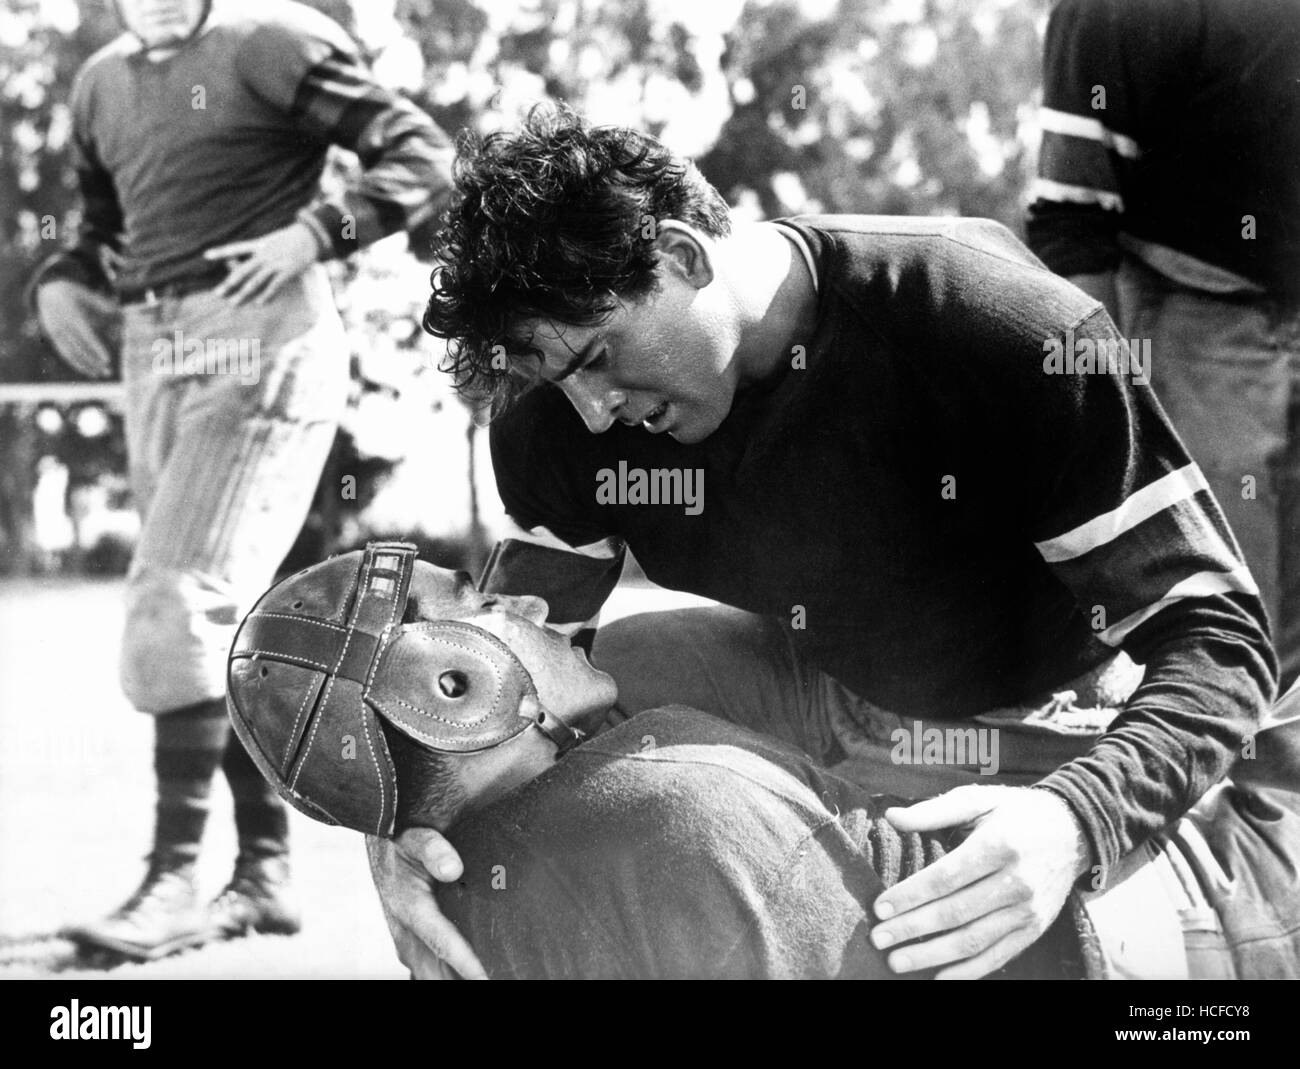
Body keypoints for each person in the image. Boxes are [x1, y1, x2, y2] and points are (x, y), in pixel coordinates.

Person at [368, 103, 1282, 981]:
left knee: (1071, 961)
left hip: (1038, 714)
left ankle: (1229, 876)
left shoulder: (995, 323)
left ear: (682, 255)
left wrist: (1078, 819)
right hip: (811, 675)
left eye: (598, 358)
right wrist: (405, 831)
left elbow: (1222, 639)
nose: (593, 413)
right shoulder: (560, 416)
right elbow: (487, 669)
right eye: (554, 378)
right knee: (514, 743)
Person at [226, 543, 1300, 979]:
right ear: (447, 691)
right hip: (1187, 921)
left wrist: (394, 819)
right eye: (477, 606)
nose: (519, 598)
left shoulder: (528, 838)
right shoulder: (663, 814)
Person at [27, 0, 454, 960]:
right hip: (153, 345)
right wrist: (60, 275)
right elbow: (100, 222)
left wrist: (317, 234)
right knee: (207, 615)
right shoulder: (100, 81)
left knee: (177, 599)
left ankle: (172, 881)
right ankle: (263, 878)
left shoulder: (271, 38)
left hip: (259, 337)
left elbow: (419, 152)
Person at [1026, 0, 1300, 686]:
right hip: (1192, 320)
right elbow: (1073, 219)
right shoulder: (1110, 14)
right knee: (1224, 619)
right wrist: (1111, 422)